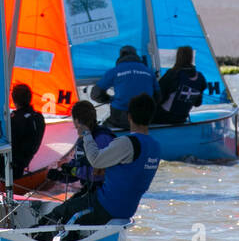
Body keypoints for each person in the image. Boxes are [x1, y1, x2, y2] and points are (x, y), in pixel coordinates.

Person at [45, 94, 162, 227]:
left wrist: (86, 134)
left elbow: (95, 161)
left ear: (129, 116)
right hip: (127, 209)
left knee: (58, 214)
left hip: (106, 205)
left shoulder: (127, 143)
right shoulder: (156, 146)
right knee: (72, 208)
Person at [47, 99, 115, 191]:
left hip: (105, 191)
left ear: (77, 120)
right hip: (90, 190)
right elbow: (78, 168)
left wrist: (73, 170)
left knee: (69, 206)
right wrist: (60, 176)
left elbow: (99, 173)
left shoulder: (102, 138)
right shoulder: (83, 139)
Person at [90, 46, 160, 129]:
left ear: (121, 56)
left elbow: (95, 94)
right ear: (136, 55)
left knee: (103, 129)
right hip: (145, 117)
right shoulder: (149, 71)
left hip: (121, 117)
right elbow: (158, 96)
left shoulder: (114, 71)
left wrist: (108, 99)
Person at [0, 83, 46, 182]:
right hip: (21, 164)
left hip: (7, 168)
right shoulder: (39, 118)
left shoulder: (14, 119)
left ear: (13, 100)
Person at [152, 45, 207, 125]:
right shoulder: (200, 78)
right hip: (182, 118)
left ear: (178, 57)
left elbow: (158, 98)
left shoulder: (172, 74)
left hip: (162, 117)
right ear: (191, 58)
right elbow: (197, 103)